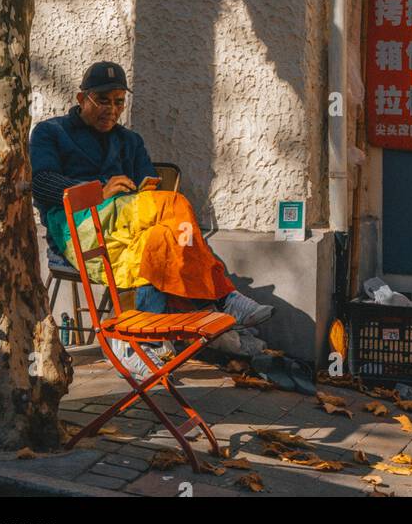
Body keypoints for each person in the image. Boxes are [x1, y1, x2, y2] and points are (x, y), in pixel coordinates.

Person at [30, 62, 272, 372]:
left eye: (119, 101)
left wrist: (145, 188)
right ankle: (220, 299)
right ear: (81, 98)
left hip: (126, 231)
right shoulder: (51, 132)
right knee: (174, 204)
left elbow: (149, 185)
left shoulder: (130, 141)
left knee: (158, 244)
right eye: (103, 100)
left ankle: (136, 344)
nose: (112, 109)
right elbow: (42, 183)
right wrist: (99, 192)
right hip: (77, 227)